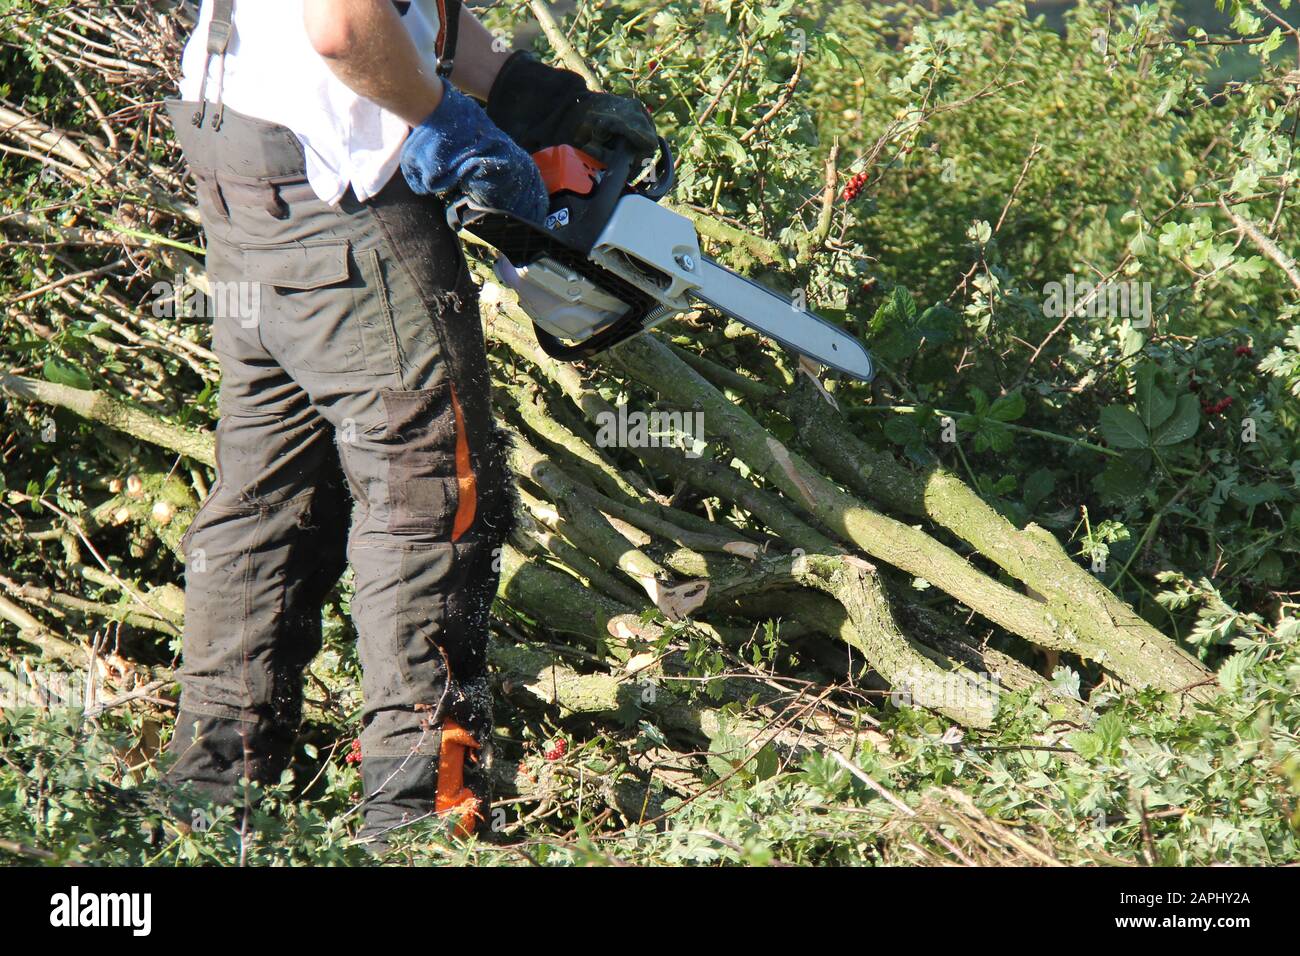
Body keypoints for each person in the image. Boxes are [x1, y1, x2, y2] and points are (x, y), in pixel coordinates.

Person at [163, 0, 655, 846]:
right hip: (339, 201)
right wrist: (445, 125)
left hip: (246, 176)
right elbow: (344, 26)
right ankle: (417, 827)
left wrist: (524, 94)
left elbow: (399, 15)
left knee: (269, 502)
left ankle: (204, 814)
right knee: (431, 497)